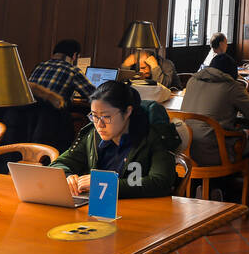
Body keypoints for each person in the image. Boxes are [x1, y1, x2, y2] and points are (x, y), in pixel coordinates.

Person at [51, 80, 181, 198]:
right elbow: (59, 164)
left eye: (106, 116)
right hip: (98, 208)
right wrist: (68, 177)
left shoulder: (152, 136)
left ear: (127, 112)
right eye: (94, 116)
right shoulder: (93, 134)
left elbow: (161, 182)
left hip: (141, 212)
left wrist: (107, 184)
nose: (99, 125)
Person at [179, 62, 249, 174]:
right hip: (214, 152)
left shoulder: (192, 82)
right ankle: (223, 186)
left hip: (187, 149)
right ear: (231, 75)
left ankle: (206, 186)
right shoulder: (231, 86)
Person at [28, 39, 93, 106]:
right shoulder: (72, 70)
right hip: (52, 114)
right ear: (74, 55)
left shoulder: (39, 66)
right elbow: (94, 96)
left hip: (27, 113)